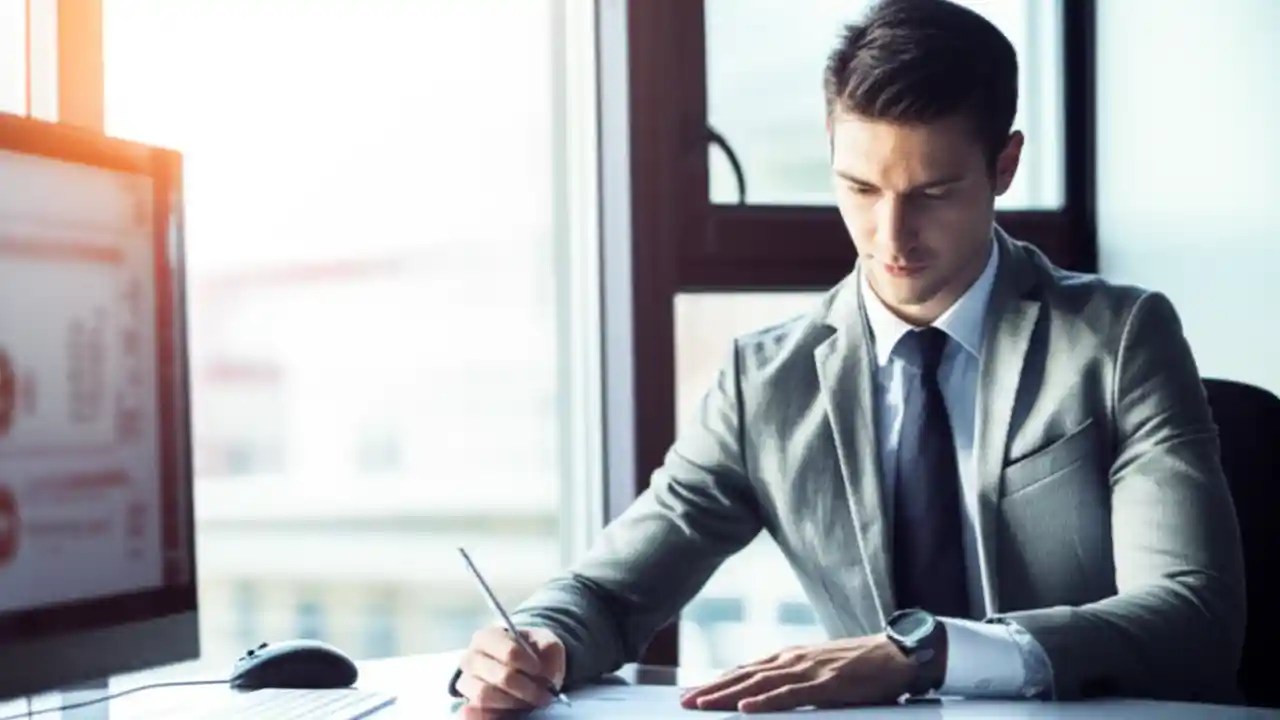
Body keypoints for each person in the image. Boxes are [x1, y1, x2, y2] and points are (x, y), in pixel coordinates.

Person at [450, 0, 1246, 713]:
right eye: (860, 189)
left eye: (931, 193)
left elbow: (1190, 613)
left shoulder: (1118, 339)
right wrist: (536, 639)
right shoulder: (766, 383)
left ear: (1004, 165)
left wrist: (924, 655)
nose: (890, 238)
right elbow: (610, 592)